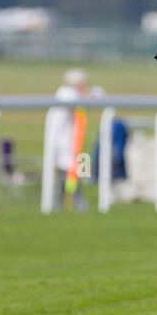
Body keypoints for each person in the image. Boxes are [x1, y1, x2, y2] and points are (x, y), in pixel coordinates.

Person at [52, 68, 91, 211]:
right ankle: (74, 201)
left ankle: (65, 202)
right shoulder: (67, 94)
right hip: (66, 143)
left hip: (70, 143)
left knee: (73, 171)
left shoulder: (65, 93)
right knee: (72, 172)